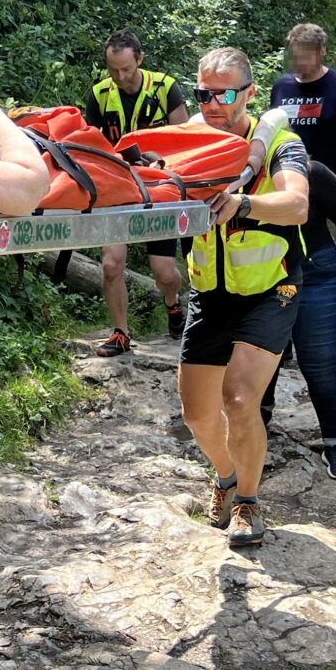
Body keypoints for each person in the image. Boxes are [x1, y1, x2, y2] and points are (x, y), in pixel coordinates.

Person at [177, 48, 310, 548]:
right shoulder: (192, 142)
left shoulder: (281, 142)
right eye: (203, 92)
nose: (213, 102)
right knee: (195, 412)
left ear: (249, 93)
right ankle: (227, 478)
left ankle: (249, 504)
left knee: (238, 398)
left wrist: (243, 204)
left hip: (271, 287)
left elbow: (297, 205)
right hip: (210, 289)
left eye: (225, 93)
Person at [259, 155, 336, 481]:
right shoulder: (243, 174)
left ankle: (335, 443)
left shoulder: (312, 171)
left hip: (318, 273)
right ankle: (256, 428)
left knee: (319, 360)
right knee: (263, 353)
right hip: (264, 274)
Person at [82, 29, 191, 356]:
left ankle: (172, 305)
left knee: (165, 272)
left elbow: (186, 143)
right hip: (117, 189)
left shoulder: (166, 89)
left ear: (140, 59)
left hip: (159, 190)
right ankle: (121, 333)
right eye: (113, 69)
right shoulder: (100, 94)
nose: (120, 76)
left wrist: (160, 160)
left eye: (126, 69)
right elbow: (89, 146)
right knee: (112, 264)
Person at [269, 22, 336, 198]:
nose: (299, 63)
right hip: (287, 187)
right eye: (295, 56)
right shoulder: (281, 87)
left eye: (306, 57)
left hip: (331, 187)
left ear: (322, 51)